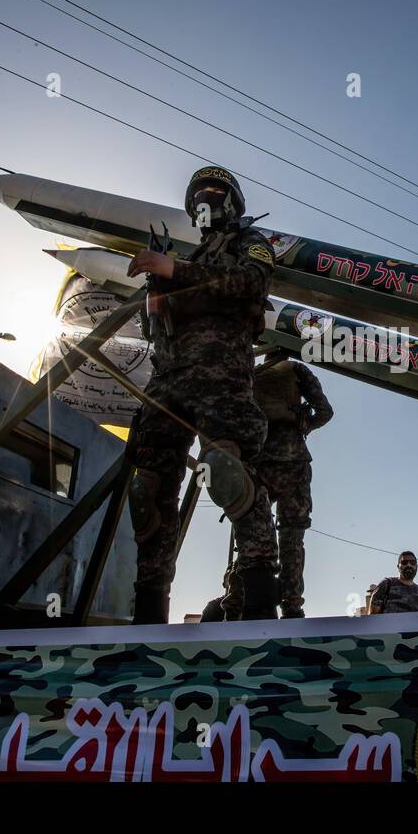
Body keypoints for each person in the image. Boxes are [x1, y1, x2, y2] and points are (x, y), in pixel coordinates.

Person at [125, 166, 281, 623]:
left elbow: (250, 283)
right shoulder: (192, 257)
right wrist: (158, 299)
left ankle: (257, 604)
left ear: (232, 202)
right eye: (199, 196)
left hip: (222, 376)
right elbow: (157, 329)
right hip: (169, 377)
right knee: (147, 492)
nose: (205, 202)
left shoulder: (250, 243)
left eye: (214, 193)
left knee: (226, 473)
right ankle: (149, 615)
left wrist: (174, 269)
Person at [251, 357, 333, 618]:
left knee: (253, 539)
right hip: (293, 461)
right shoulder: (295, 369)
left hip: (257, 462)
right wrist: (305, 423)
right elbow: (325, 411)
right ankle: (291, 606)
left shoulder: (250, 372)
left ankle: (253, 602)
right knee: (292, 538)